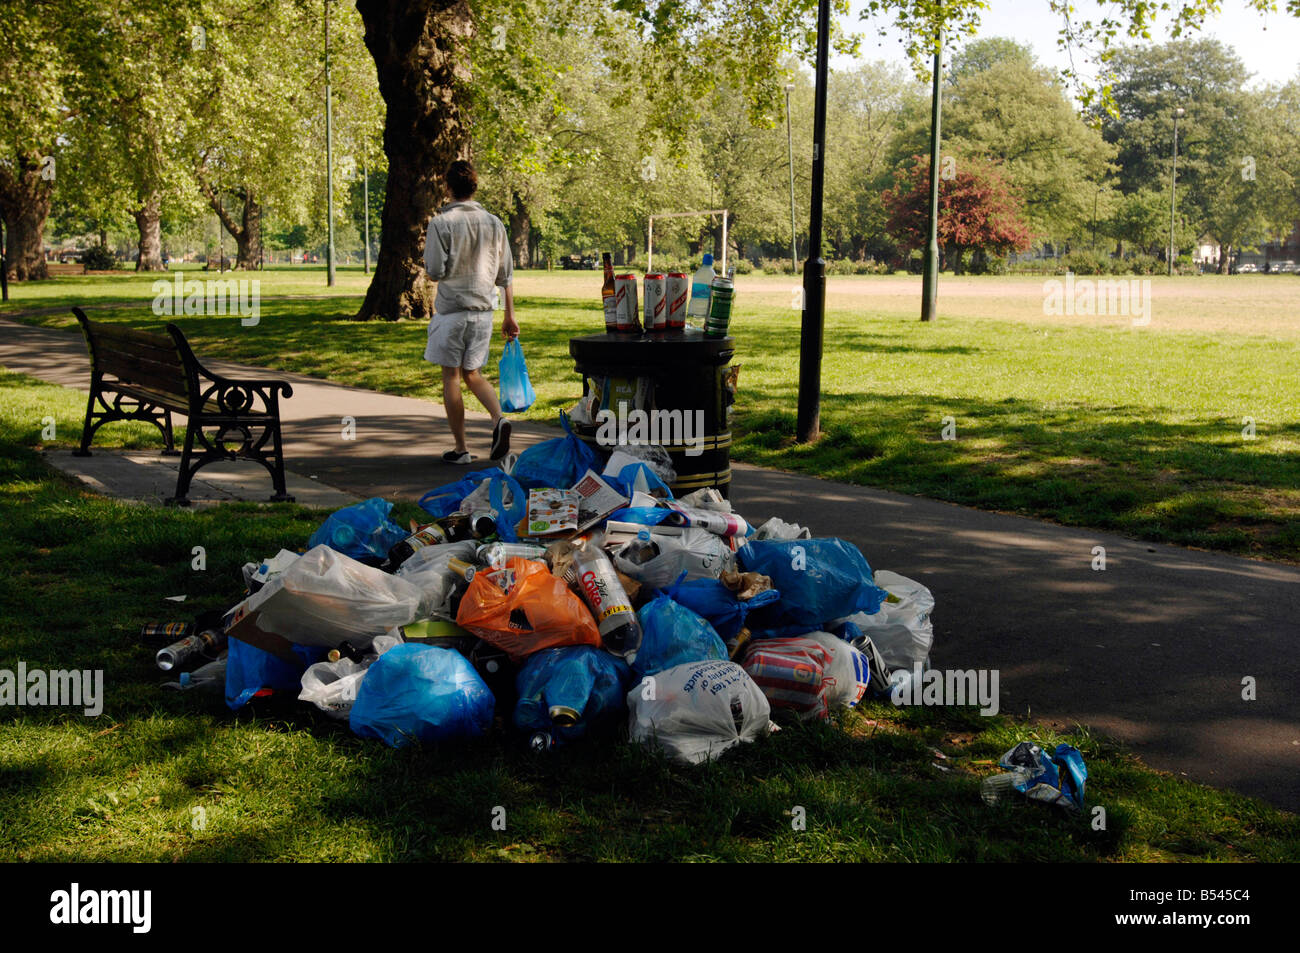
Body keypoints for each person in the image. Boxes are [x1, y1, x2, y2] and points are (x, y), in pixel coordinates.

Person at [423, 159, 518, 464]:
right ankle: (499, 418)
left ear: (447, 187)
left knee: (451, 377)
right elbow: (505, 275)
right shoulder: (494, 223)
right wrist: (509, 315)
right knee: (473, 374)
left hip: (452, 311)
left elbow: (434, 271)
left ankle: (461, 448)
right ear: (474, 187)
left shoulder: (441, 223)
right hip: (483, 313)